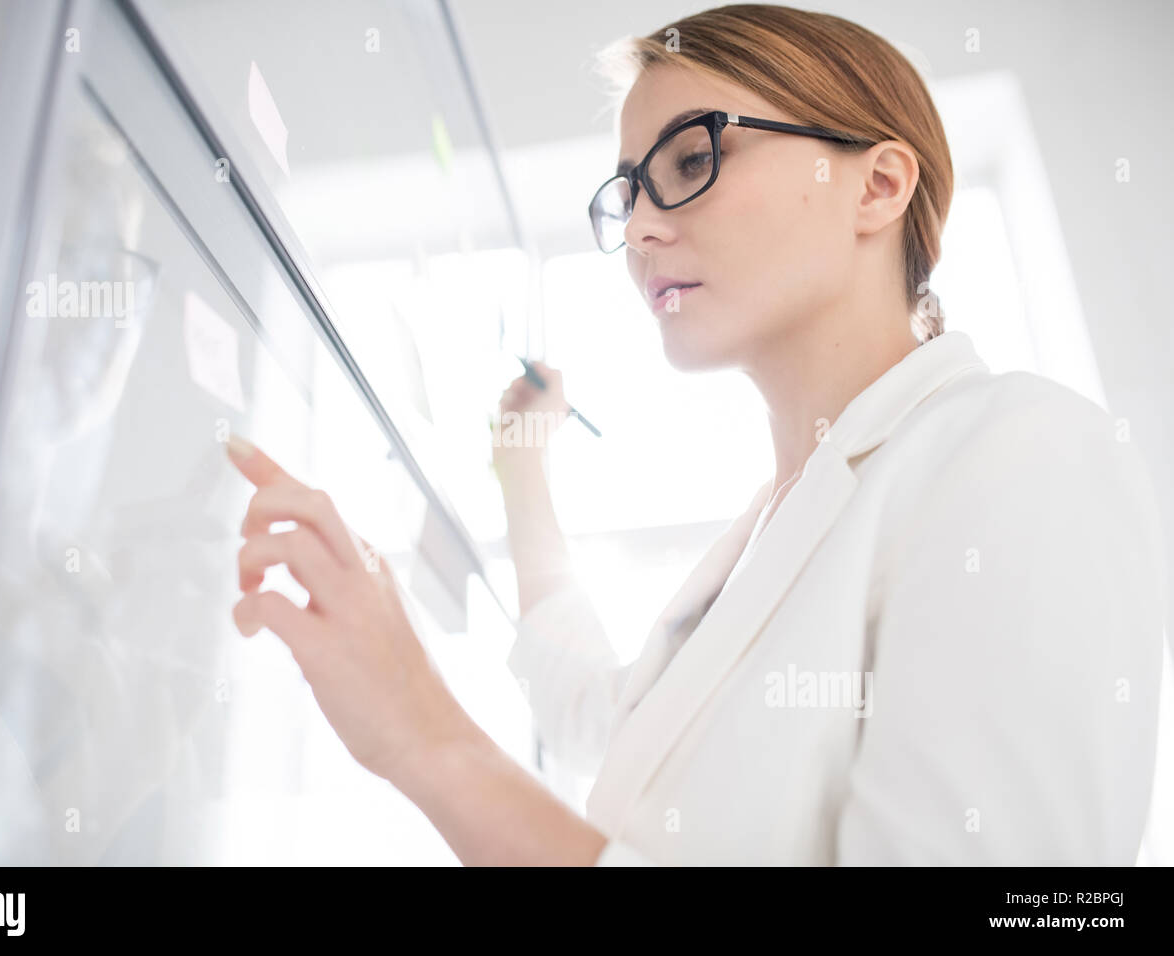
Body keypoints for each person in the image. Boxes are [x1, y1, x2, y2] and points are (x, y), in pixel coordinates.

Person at [227, 4, 1166, 865]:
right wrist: (522, 473)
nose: (637, 229)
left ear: (878, 186)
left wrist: (427, 737)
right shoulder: (774, 528)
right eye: (627, 191)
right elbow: (601, 711)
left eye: (689, 162)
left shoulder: (1022, 454)